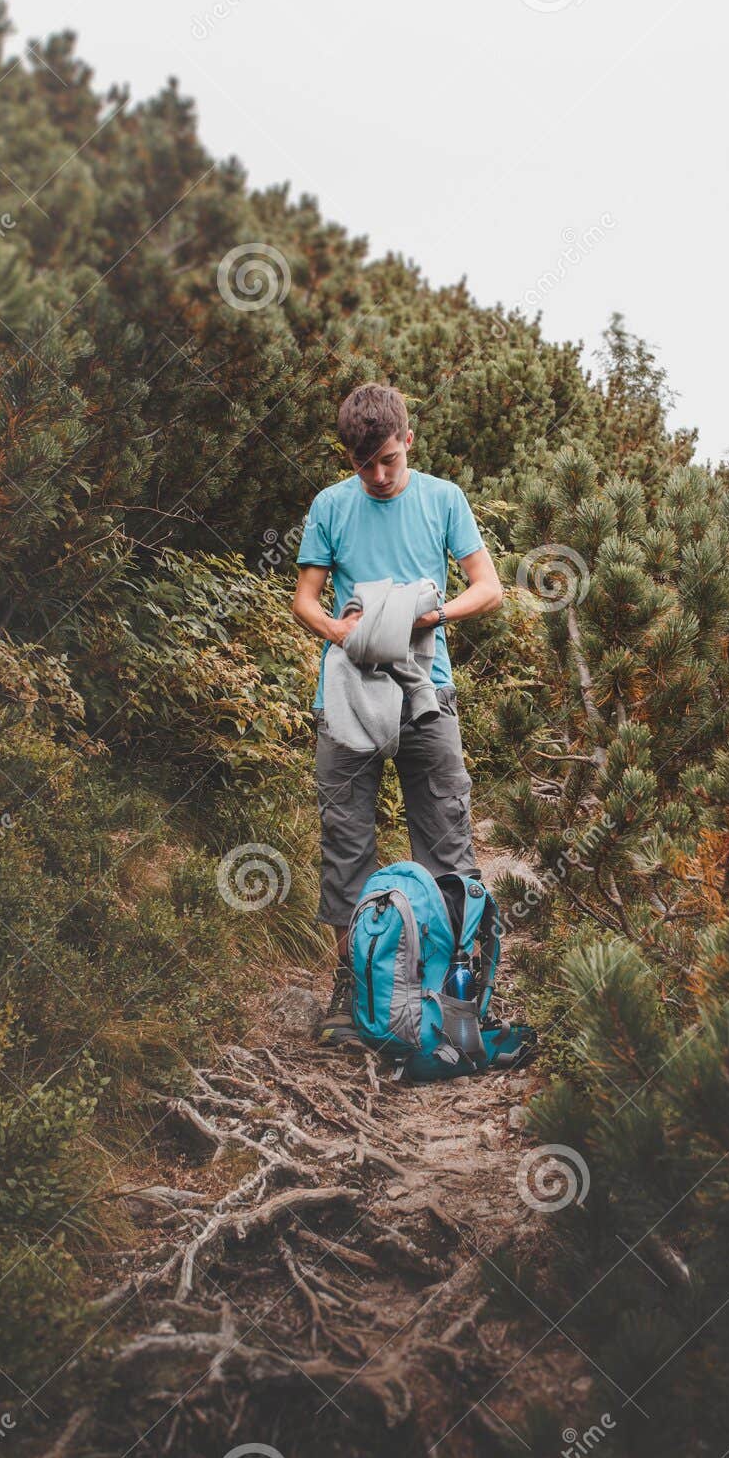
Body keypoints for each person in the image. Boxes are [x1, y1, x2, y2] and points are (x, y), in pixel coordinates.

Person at [291, 382, 504, 1040]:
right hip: (348, 697)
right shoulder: (329, 505)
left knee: (447, 845)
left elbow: (488, 589)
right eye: (365, 465)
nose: (379, 476)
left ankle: (456, 998)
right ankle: (354, 998)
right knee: (346, 845)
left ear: (407, 439)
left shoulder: (443, 499)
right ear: (348, 458)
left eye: (389, 459)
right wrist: (341, 632)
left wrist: (426, 615)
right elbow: (304, 599)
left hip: (426, 695)